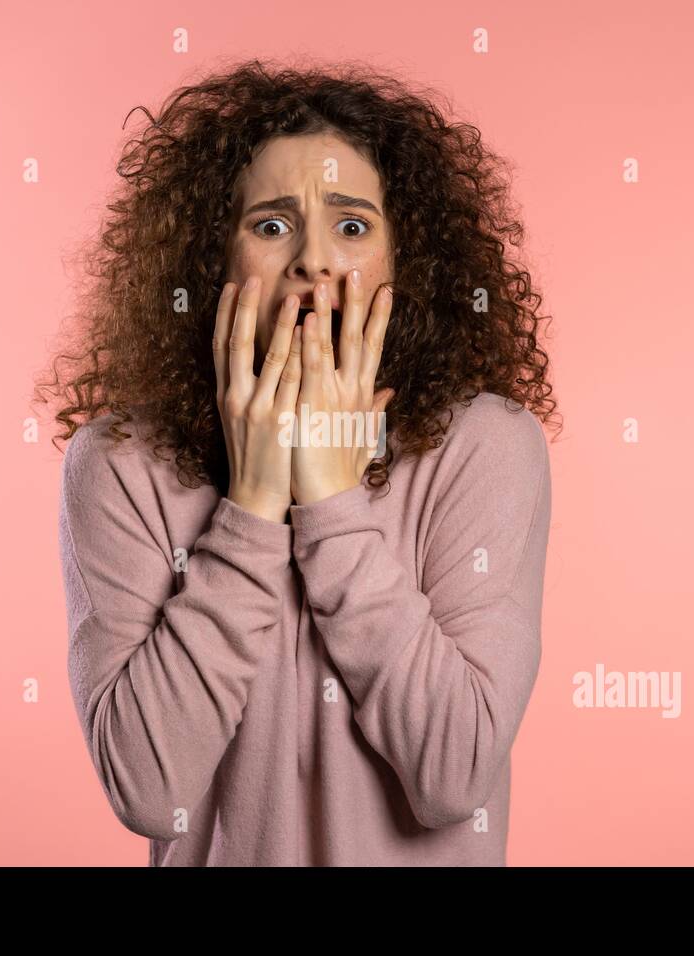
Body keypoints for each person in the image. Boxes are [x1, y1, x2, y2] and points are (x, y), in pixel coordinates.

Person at [35, 58, 562, 865]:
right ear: (215, 257)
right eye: (272, 225)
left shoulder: (485, 445)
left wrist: (332, 498)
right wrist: (251, 502)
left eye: (352, 226)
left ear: (402, 259)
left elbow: (454, 775)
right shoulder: (120, 465)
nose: (316, 262)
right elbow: (149, 791)